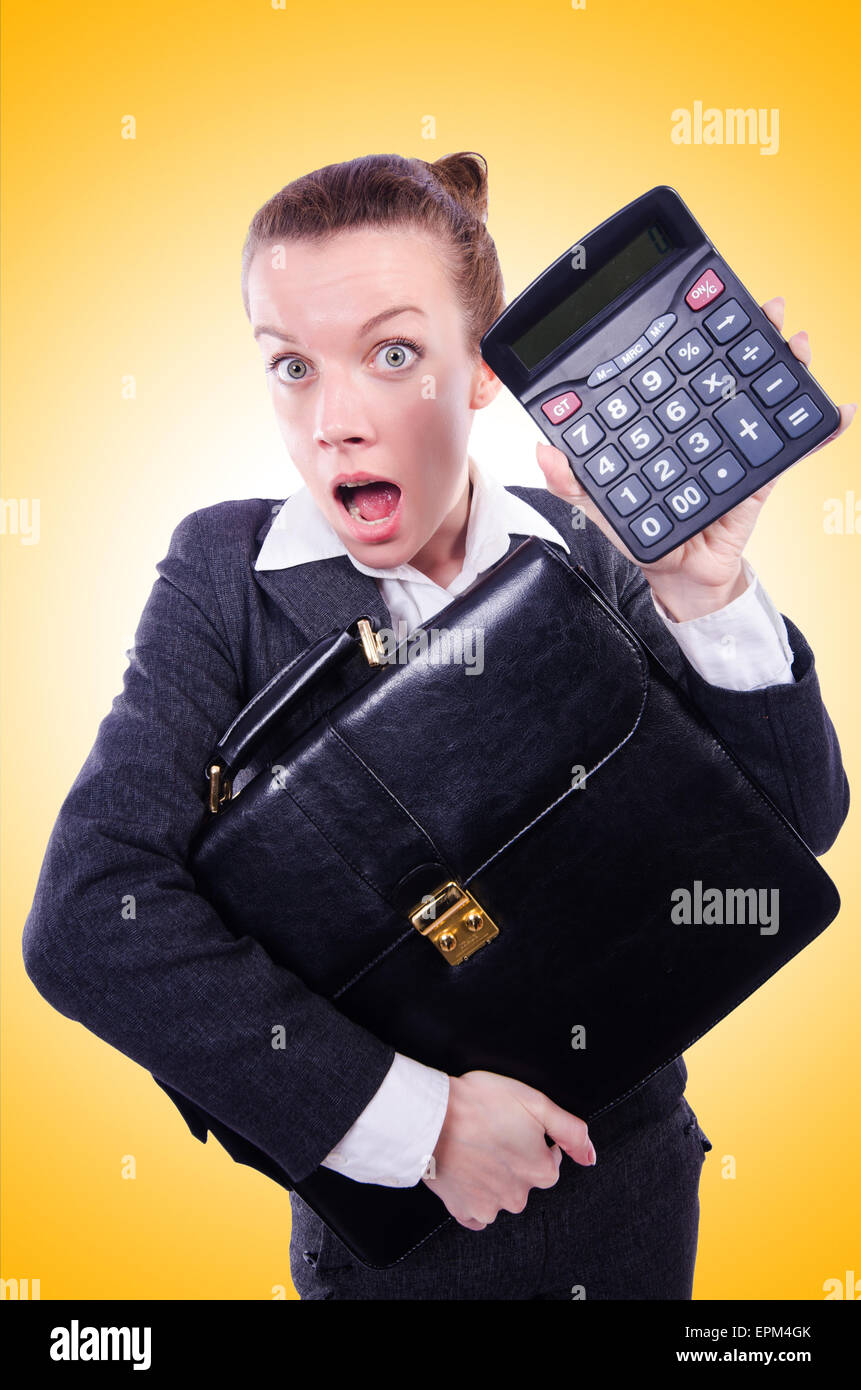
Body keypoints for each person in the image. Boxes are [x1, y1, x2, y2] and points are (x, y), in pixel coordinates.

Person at [22, 152, 852, 1301]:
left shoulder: (591, 541)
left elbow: (790, 828)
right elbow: (89, 919)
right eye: (291, 367)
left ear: (481, 370)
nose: (336, 423)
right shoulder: (222, 571)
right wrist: (417, 1125)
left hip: (632, 1219)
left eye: (394, 353)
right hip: (395, 1266)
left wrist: (705, 588)